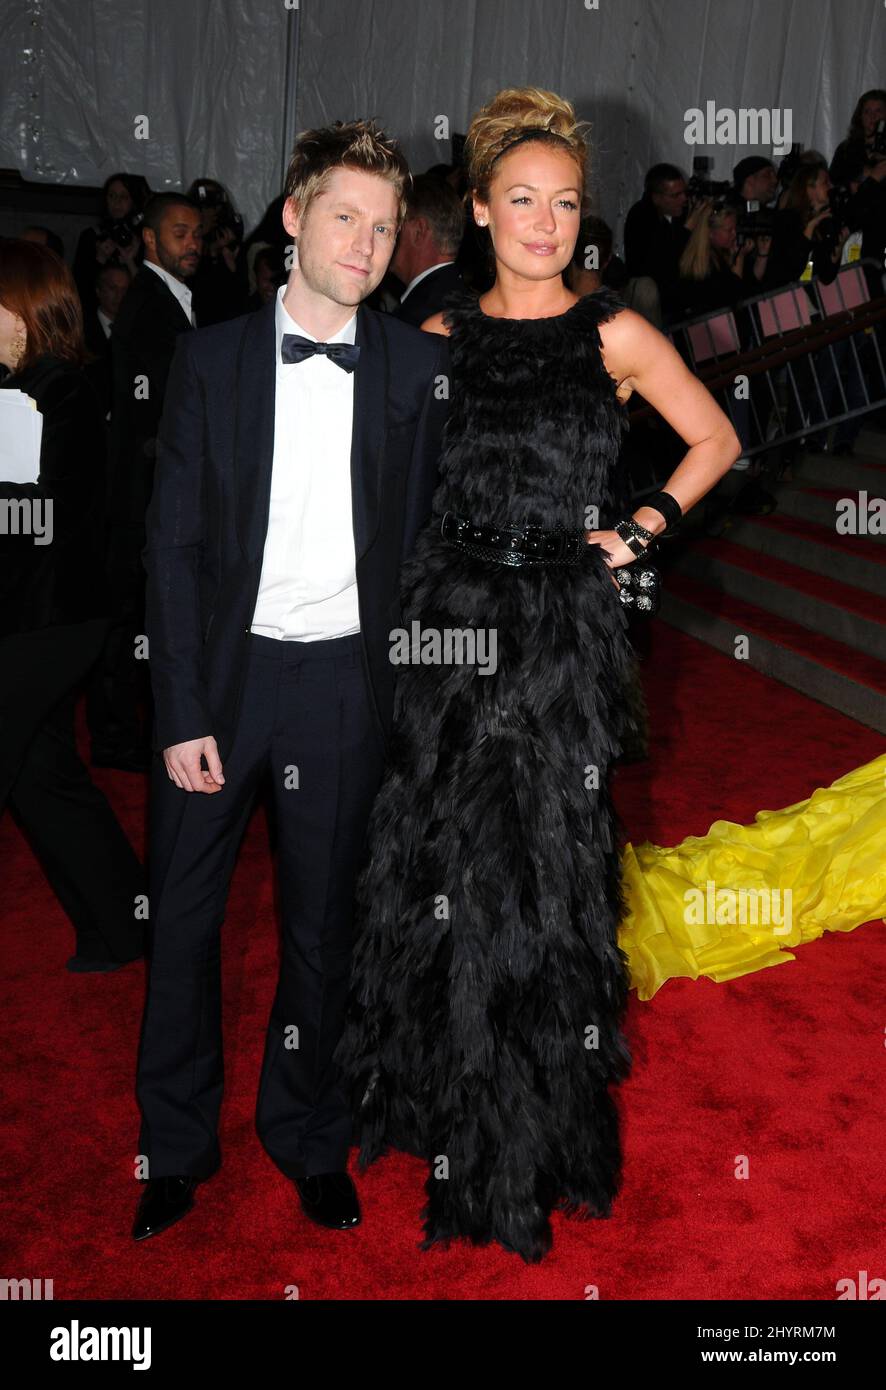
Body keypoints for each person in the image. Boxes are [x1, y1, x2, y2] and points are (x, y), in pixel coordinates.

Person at [334, 86, 740, 1263]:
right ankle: (444, 1108)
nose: (545, 222)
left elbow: (714, 436)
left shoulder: (612, 333)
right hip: (447, 622)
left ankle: (529, 1138)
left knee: (541, 878)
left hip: (558, 630)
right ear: (476, 210)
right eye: (521, 199)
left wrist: (642, 526)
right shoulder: (436, 342)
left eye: (565, 203)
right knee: (441, 862)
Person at [131, 119, 450, 1243]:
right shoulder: (209, 359)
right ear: (294, 217)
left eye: (383, 225)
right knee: (182, 922)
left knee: (325, 933)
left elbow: (440, 544)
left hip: (346, 688)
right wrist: (177, 710)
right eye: (344, 218)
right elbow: (169, 547)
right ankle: (172, 1146)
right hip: (224, 682)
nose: (366, 244)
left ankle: (309, 1136)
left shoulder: (420, 366)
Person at [0, 238, 146, 972]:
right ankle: (123, 925)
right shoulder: (15, 388)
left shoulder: (59, 390)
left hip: (51, 621)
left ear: (23, 309)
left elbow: (42, 517)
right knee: (42, 778)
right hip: (33, 616)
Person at [90, 193, 201, 772]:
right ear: (152, 240)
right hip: (142, 493)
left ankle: (121, 733)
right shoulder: (146, 305)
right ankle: (115, 738)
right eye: (181, 233)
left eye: (198, 234)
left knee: (136, 616)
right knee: (129, 617)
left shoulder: (169, 299)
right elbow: (148, 412)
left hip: (147, 488)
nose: (194, 245)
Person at [390, 173, 465, 327]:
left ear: (419, 230)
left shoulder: (413, 320)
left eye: (394, 225)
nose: (386, 235)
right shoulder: (473, 302)